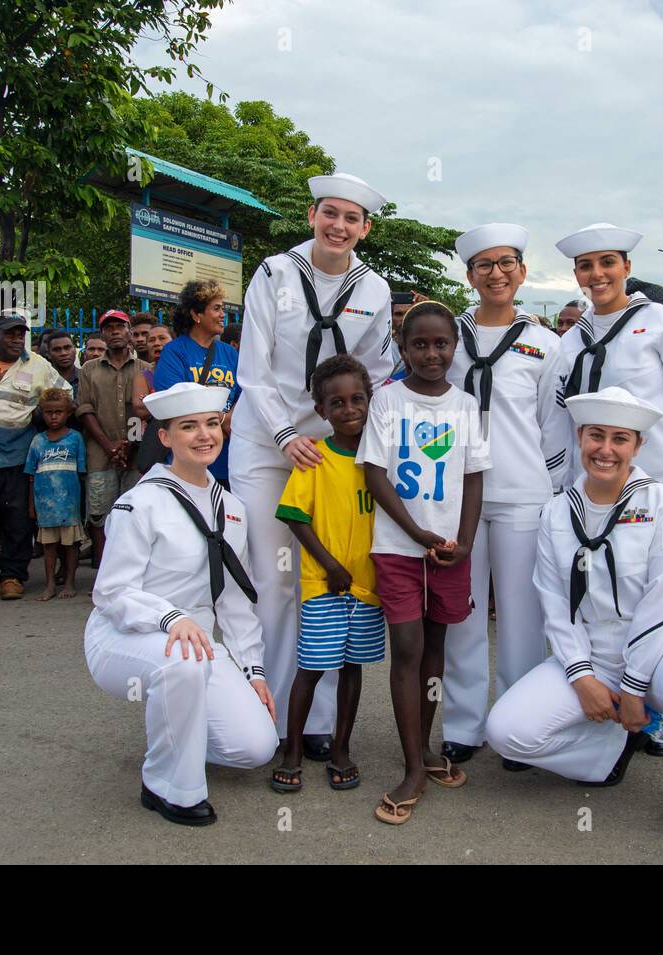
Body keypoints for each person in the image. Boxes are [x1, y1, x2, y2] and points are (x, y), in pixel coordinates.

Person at [487, 387, 663, 843]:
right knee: (507, 734)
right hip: (596, 649)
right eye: (595, 436)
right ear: (580, 438)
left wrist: (633, 687)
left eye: (620, 439)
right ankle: (609, 750)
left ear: (638, 445)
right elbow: (555, 603)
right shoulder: (557, 512)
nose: (605, 449)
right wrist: (583, 676)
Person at [229, 172, 393, 759]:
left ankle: (317, 721)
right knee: (272, 579)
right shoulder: (274, 273)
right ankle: (265, 711)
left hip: (329, 450)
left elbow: (373, 373)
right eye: (330, 213)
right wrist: (283, 435)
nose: (339, 226)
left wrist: (343, 440)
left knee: (323, 582)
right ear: (311, 214)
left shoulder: (373, 289)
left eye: (352, 219)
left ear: (365, 229)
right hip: (264, 443)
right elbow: (253, 368)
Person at [84, 381, 278, 827]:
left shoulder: (232, 508)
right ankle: (168, 786)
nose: (204, 435)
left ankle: (177, 734)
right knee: (183, 663)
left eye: (212, 424)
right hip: (126, 635)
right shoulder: (140, 503)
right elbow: (111, 592)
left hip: (198, 640)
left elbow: (233, 600)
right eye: (188, 427)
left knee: (255, 747)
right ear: (165, 437)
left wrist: (254, 670)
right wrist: (170, 616)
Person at [440, 224, 572, 767]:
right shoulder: (447, 338)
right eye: (484, 265)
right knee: (461, 616)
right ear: (469, 275)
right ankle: (463, 727)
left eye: (507, 263)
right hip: (454, 499)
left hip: (522, 496)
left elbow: (555, 426)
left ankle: (518, 723)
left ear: (521, 271)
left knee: (523, 618)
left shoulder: (546, 343)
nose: (496, 273)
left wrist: (555, 495)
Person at [358, 301, 488, 823]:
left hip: (450, 550)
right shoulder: (387, 401)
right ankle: (413, 766)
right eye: (419, 344)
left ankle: (428, 746)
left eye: (441, 344)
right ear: (403, 346)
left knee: (436, 647)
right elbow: (375, 473)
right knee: (408, 648)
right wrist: (416, 532)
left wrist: (465, 540)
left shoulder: (464, 405)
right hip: (399, 547)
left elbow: (475, 476)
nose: (431, 354)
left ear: (455, 348)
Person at [555, 223, 663, 524]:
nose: (597, 274)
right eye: (585, 266)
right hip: (593, 484)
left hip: (662, 479)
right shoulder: (570, 341)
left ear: (626, 267)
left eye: (607, 262)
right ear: (577, 275)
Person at [271, 355, 384, 793]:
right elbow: (295, 517)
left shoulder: (381, 457)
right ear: (321, 410)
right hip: (325, 585)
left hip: (369, 587)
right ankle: (293, 750)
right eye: (337, 403)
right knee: (312, 668)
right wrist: (330, 565)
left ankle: (342, 747)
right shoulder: (315, 458)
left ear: (370, 399)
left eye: (358, 399)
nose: (349, 409)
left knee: (353, 669)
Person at [0, 313, 69, 599]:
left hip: (18, 452)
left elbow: (64, 395)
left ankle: (12, 576)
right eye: (9, 333)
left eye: (20, 334)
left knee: (17, 519)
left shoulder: (38, 365)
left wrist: (41, 416)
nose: (15, 339)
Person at [77, 310, 150, 567]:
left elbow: (147, 411)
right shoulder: (89, 369)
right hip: (100, 453)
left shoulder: (145, 369)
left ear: (129, 331)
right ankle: (103, 569)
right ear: (103, 334)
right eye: (109, 328)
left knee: (134, 515)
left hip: (137, 453)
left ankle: (131, 571)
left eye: (120, 326)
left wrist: (129, 445)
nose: (115, 332)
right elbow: (85, 409)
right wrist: (109, 447)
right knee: (99, 514)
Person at [151, 282, 238, 486]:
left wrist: (230, 418)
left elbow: (244, 396)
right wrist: (221, 420)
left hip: (228, 458)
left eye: (222, 308)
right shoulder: (175, 351)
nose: (222, 314)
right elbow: (175, 400)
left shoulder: (230, 353)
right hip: (189, 458)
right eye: (216, 308)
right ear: (196, 314)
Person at [26, 388, 87, 600]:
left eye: (59, 412)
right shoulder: (37, 441)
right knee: (49, 545)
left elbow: (81, 474)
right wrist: (31, 506)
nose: (53, 416)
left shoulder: (76, 439)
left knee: (71, 545)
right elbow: (31, 475)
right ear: (42, 413)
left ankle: (69, 582)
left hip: (69, 504)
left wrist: (81, 504)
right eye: (48, 412)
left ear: (68, 412)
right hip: (45, 505)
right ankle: (50, 584)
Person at [46, 331, 81, 399]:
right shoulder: (43, 379)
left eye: (67, 348)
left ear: (74, 349)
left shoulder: (86, 378)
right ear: (48, 354)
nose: (63, 353)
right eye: (57, 350)